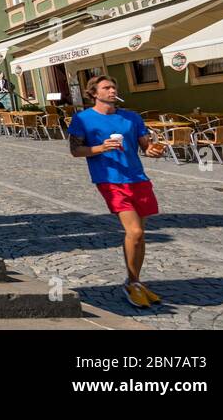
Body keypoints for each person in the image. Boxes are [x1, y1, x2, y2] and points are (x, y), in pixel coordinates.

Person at [67, 75, 167, 309]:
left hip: (138, 178)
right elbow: (75, 150)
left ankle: (135, 281)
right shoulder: (83, 119)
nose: (112, 91)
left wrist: (154, 150)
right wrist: (101, 148)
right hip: (110, 180)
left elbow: (145, 146)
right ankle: (131, 283)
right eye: (106, 88)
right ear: (93, 93)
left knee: (140, 235)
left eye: (114, 87)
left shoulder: (131, 117)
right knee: (134, 231)